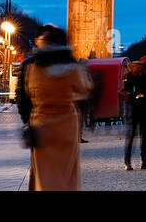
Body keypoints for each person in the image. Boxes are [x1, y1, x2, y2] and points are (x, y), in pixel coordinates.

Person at [15, 25, 92, 190]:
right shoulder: (73, 69)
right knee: (66, 172)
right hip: (67, 125)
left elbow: (25, 94)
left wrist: (27, 120)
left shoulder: (33, 68)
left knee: (45, 173)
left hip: (42, 123)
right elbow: (84, 90)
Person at [123, 56, 146, 170]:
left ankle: (144, 161)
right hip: (134, 108)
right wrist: (133, 75)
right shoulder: (131, 76)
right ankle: (127, 161)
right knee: (131, 136)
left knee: (144, 136)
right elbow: (127, 88)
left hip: (145, 108)